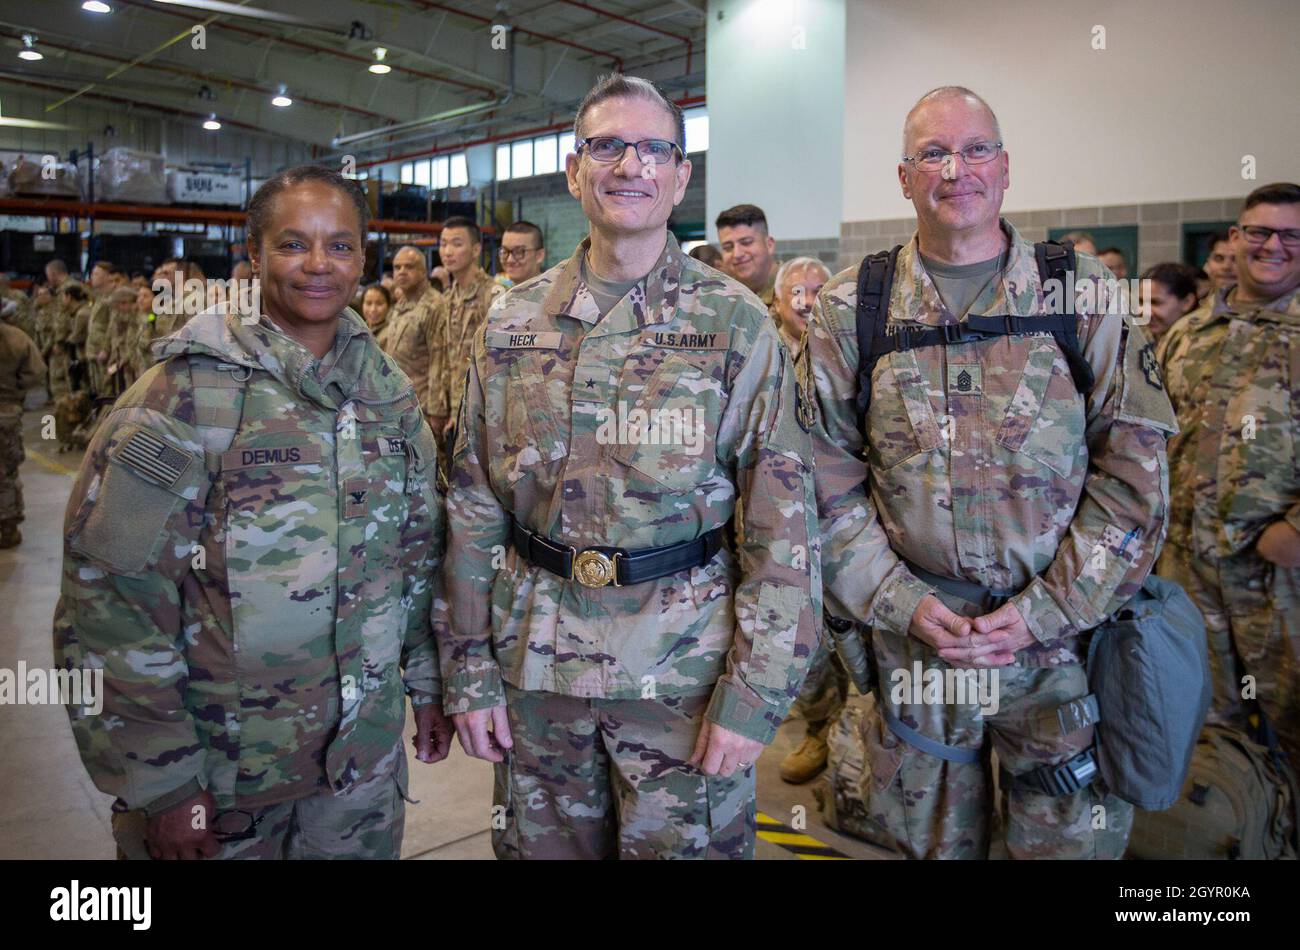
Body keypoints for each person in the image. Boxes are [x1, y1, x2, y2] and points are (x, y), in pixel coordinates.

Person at [437, 74, 819, 860]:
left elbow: (785, 526)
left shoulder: (733, 323)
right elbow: (474, 504)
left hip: (682, 676)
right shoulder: (512, 320)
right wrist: (467, 667)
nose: (629, 166)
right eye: (606, 145)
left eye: (653, 149)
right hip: (537, 668)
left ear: (680, 177)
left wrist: (755, 695)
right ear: (575, 172)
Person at [801, 86, 1176, 859]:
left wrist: (1046, 611)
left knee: (1064, 841)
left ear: (1004, 168)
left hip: (1060, 653)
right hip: (916, 646)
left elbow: (1134, 477)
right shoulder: (854, 307)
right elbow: (820, 478)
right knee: (922, 841)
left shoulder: (1078, 292)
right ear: (904, 178)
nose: (955, 169)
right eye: (932, 153)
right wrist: (900, 601)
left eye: (975, 150)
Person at [53, 164, 453, 861]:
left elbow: (414, 557)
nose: (318, 265)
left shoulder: (386, 395)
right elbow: (110, 598)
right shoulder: (183, 397)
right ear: (255, 256)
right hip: (225, 777)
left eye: (340, 245)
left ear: (363, 257)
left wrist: (427, 686)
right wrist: (164, 781)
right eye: (294, 244)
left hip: (358, 772)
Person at [1157, 182, 1300, 766]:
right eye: (1260, 232)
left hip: (1280, 582)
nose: (1273, 246)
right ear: (1236, 239)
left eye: (1291, 236)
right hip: (1190, 572)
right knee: (1208, 730)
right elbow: (1150, 436)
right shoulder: (1189, 335)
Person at [430, 216, 504, 438]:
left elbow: (499, 361)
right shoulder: (449, 298)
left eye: (456, 243)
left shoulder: (492, 294)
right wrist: (442, 407)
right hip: (455, 409)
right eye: (443, 244)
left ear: (475, 250)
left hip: (485, 413)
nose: (448, 251)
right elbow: (444, 356)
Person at [384, 245, 447, 427]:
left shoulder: (434, 305)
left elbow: (439, 359)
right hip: (396, 401)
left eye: (409, 267)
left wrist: (436, 410)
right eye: (397, 267)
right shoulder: (402, 302)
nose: (402, 272)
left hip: (422, 406)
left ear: (423, 271)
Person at [0, 310, 45, 548]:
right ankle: (8, 527)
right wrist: (16, 391)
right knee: (7, 470)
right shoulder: (17, 338)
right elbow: (36, 372)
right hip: (7, 411)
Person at [717, 204, 779, 318]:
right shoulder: (722, 297)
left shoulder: (796, 290)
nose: (737, 254)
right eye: (728, 247)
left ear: (769, 245)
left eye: (746, 242)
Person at [770, 256, 830, 357]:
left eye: (819, 292)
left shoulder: (843, 352)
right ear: (777, 303)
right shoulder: (765, 354)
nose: (809, 301)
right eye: (797, 292)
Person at [1133, 262, 1199, 341]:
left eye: (1155, 302)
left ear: (1187, 302)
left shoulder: (1198, 343)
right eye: (1141, 302)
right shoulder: (1141, 338)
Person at [496, 220, 546, 289]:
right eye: (504, 251)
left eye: (519, 252)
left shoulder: (555, 294)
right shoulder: (496, 292)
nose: (510, 260)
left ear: (539, 255)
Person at [1200, 230, 1238, 295]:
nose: (1226, 266)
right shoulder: (1194, 303)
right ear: (1207, 263)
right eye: (1219, 258)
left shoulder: (1259, 304)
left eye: (1236, 259)